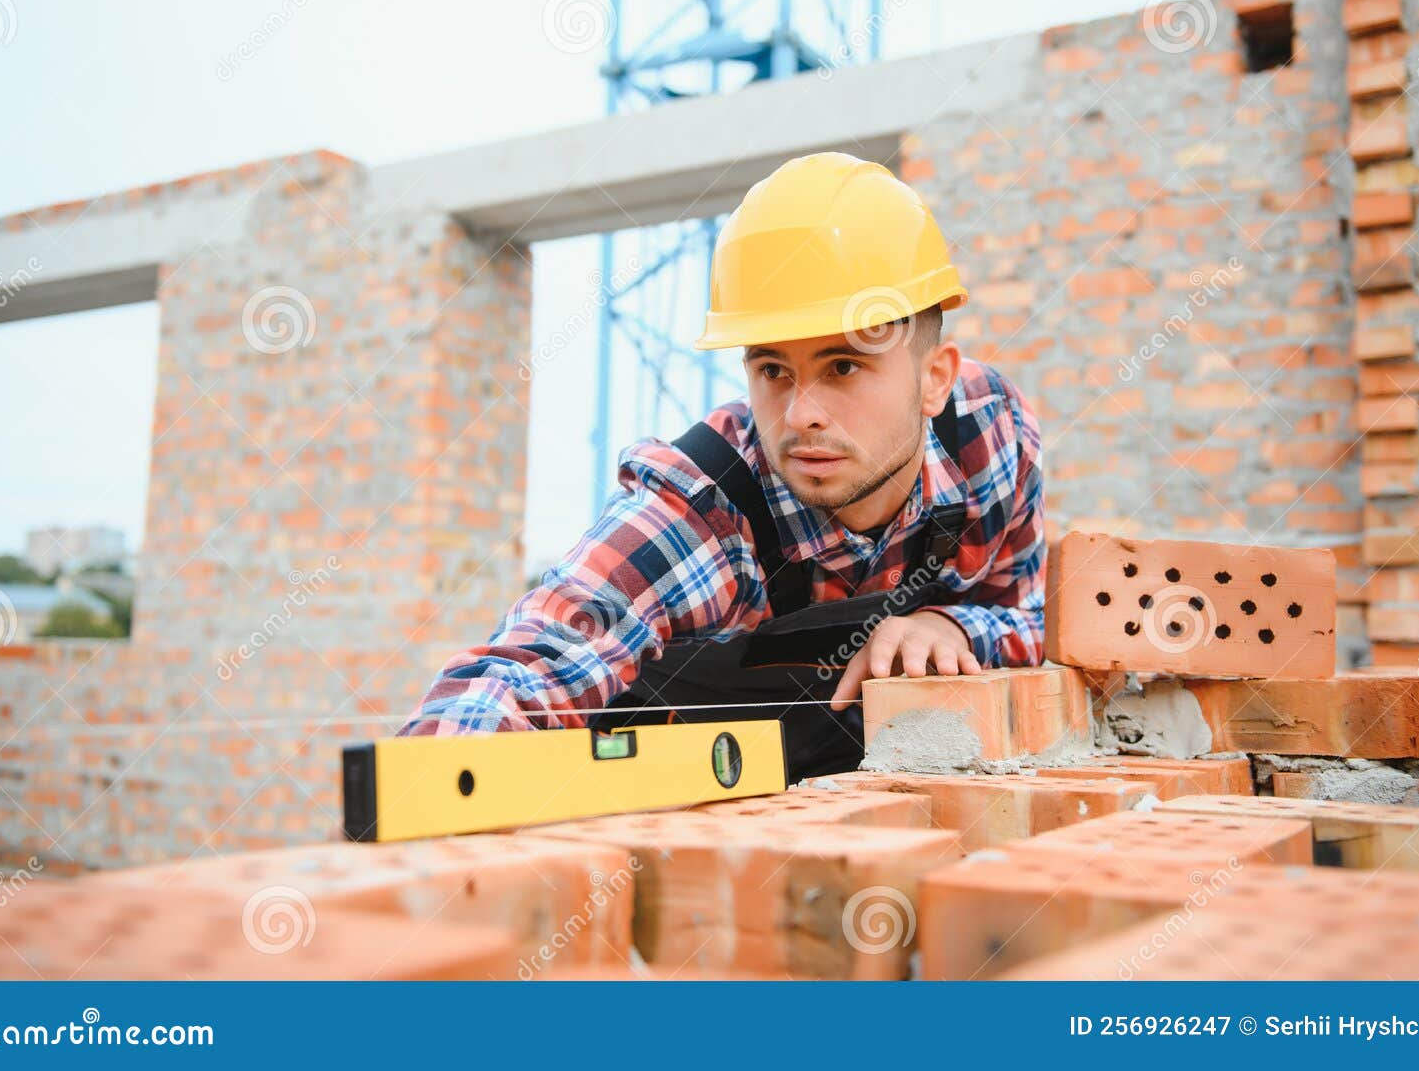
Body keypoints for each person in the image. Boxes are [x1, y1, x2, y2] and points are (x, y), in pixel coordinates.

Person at [400, 151, 1046, 779]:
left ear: (935, 378)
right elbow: (536, 660)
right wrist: (421, 791)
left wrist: (949, 625)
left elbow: (1040, 625)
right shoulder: (705, 506)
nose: (799, 415)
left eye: (842, 365)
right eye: (772, 369)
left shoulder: (989, 439)